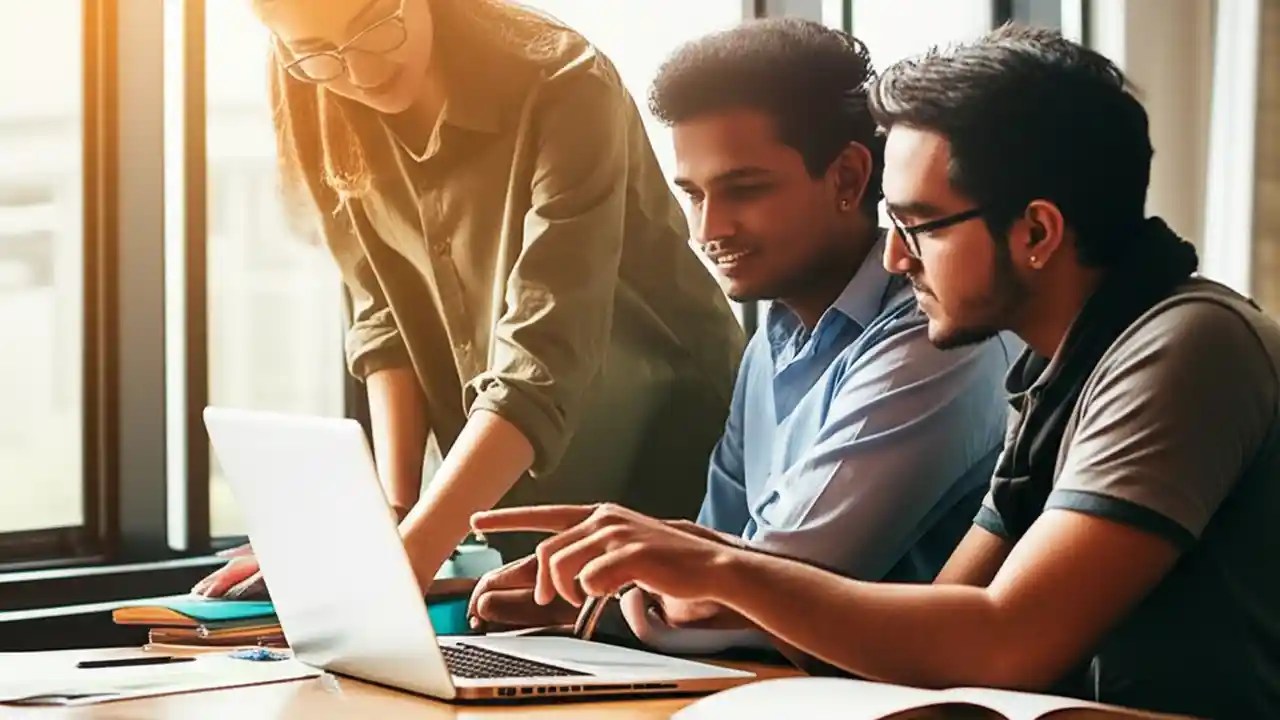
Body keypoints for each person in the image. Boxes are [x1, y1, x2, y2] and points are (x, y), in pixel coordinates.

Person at [471, 24, 1280, 719]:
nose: (894, 257)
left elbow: (1008, 639)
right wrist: (677, 555)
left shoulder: (1185, 346)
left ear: (1036, 232)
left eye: (920, 225)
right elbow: (947, 620)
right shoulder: (1060, 366)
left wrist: (717, 566)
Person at [469, 19, 1015, 650]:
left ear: (846, 178)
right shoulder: (771, 341)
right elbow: (719, 557)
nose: (709, 229)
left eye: (744, 190)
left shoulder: (938, 340)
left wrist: (597, 605)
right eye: (694, 195)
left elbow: (774, 586)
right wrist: (592, 584)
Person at [192, 0, 745, 599]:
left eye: (375, 26)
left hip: (683, 461)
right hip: (514, 477)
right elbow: (382, 320)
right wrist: (389, 521)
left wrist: (398, 568)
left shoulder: (565, 84)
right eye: (319, 54)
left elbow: (542, 358)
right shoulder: (313, 89)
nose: (362, 72)